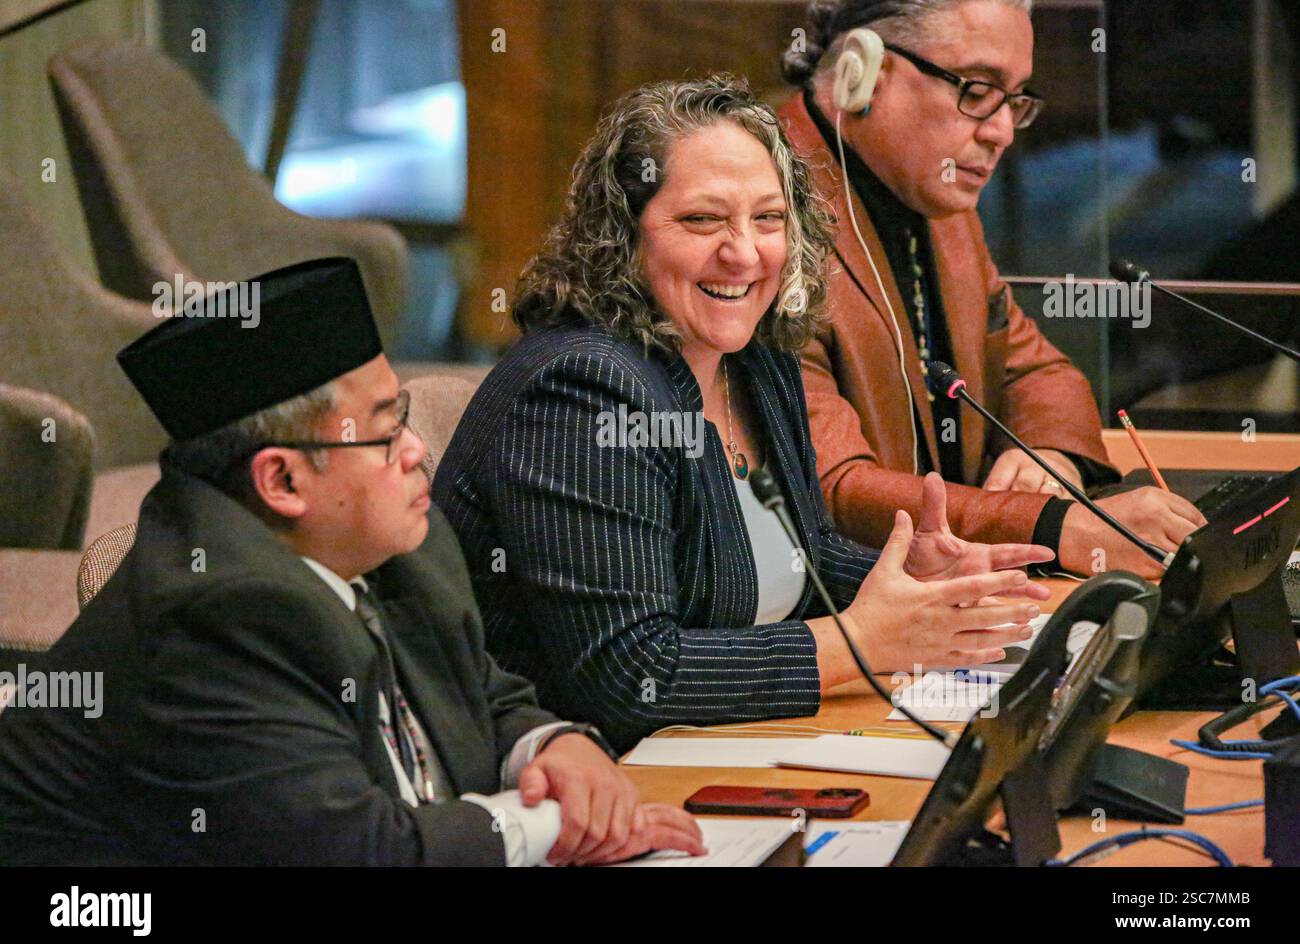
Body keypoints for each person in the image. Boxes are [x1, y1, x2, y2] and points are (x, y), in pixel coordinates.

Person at [0, 257, 701, 866]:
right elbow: (360, 853)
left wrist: (556, 750)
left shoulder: (401, 545)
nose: (416, 450)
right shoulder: (215, 618)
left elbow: (484, 696)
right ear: (282, 482)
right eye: (384, 431)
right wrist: (562, 824)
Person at [432, 76, 1053, 752]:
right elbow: (629, 675)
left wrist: (904, 583)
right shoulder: (584, 390)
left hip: (716, 747)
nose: (744, 252)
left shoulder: (753, 356)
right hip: (591, 783)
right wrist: (861, 642)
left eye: (768, 218)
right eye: (702, 220)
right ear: (623, 235)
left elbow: (795, 555)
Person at [779, 0, 1206, 576]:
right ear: (862, 71)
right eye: (976, 90)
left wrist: (1049, 458)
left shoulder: (936, 195)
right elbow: (832, 487)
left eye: (1015, 99)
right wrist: (1050, 525)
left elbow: (1035, 373)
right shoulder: (760, 213)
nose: (1003, 131)